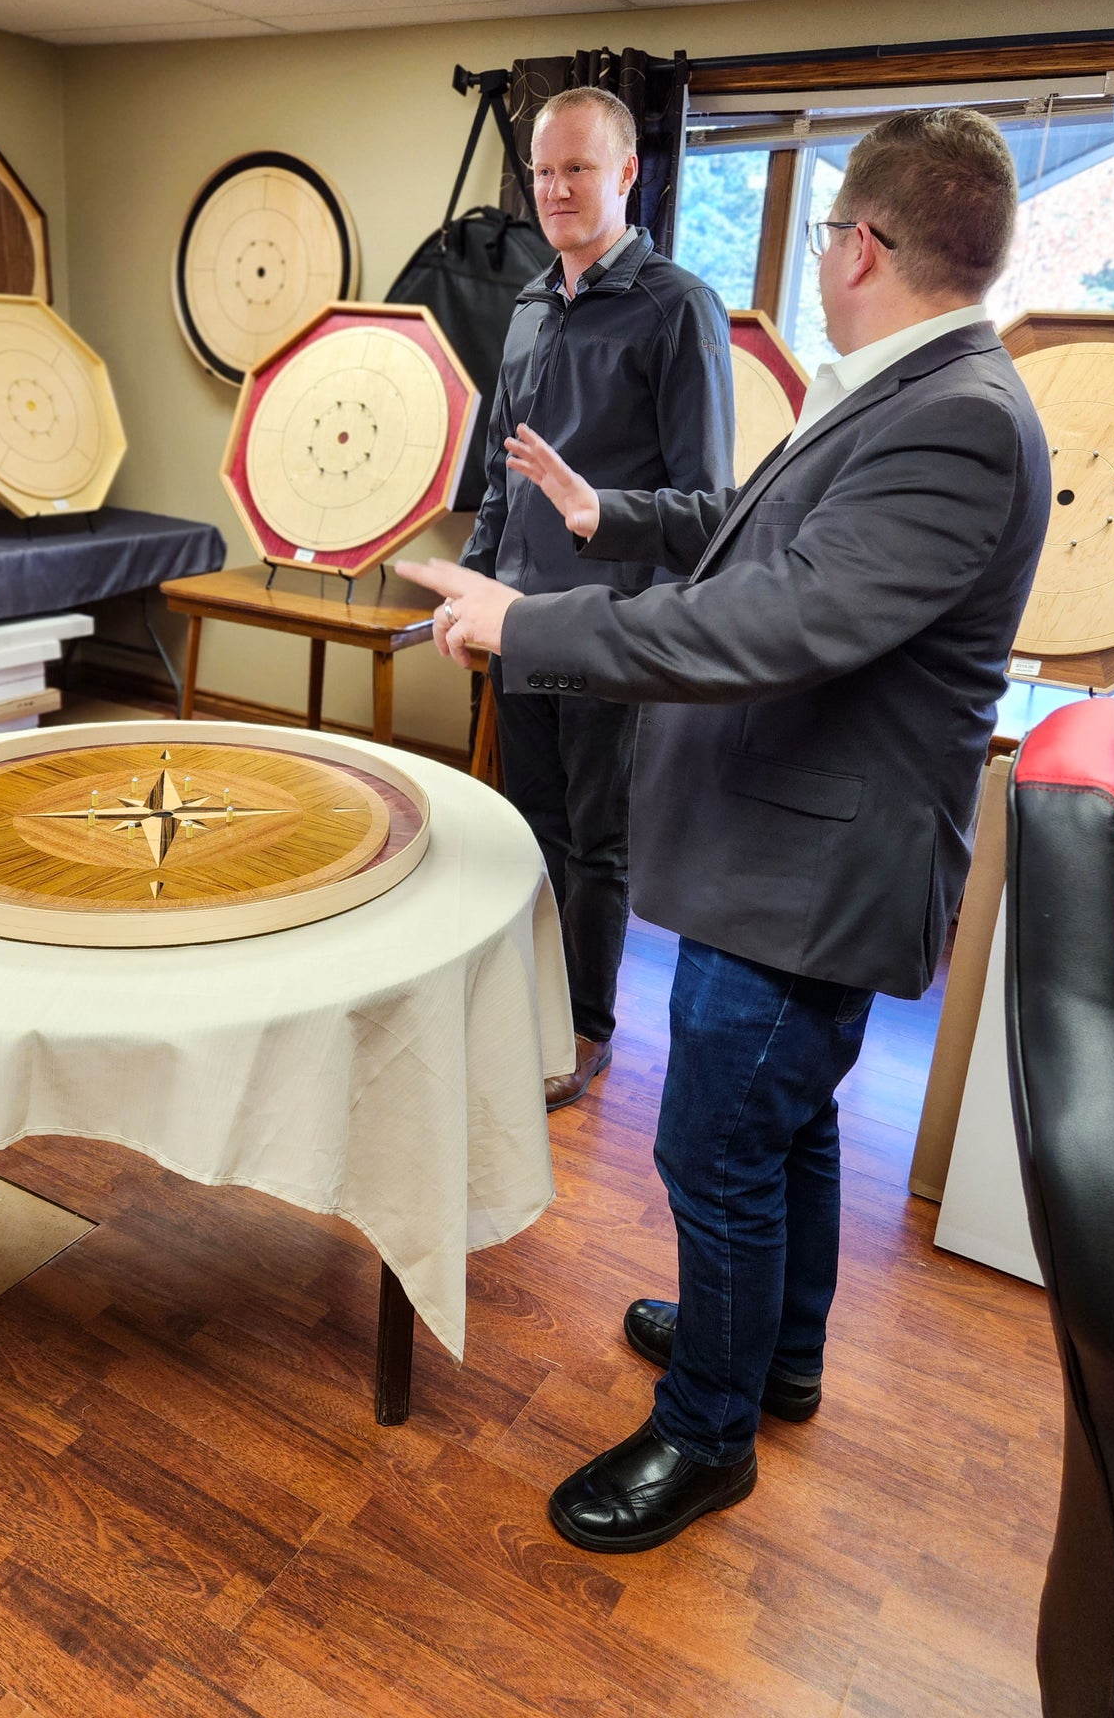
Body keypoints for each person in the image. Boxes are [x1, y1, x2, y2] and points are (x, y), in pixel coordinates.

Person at [401, 107, 1052, 1551]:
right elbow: (755, 538)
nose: (822, 255)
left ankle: (708, 1432)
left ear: (863, 244)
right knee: (783, 1125)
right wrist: (595, 513)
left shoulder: (955, 419)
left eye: (827, 231)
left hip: (805, 868)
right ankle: (777, 1355)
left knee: (713, 1149)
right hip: (787, 851)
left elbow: (781, 618)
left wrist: (528, 620)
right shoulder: (905, 388)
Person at [461, 85, 733, 1111]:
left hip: (614, 627)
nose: (557, 188)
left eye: (578, 168)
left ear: (629, 174)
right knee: (529, 823)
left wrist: (594, 509)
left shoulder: (678, 308)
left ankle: (584, 1026)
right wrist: (482, 590)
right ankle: (525, 1000)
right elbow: (502, 472)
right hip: (520, 619)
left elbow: (711, 508)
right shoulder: (530, 306)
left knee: (597, 838)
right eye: (543, 170)